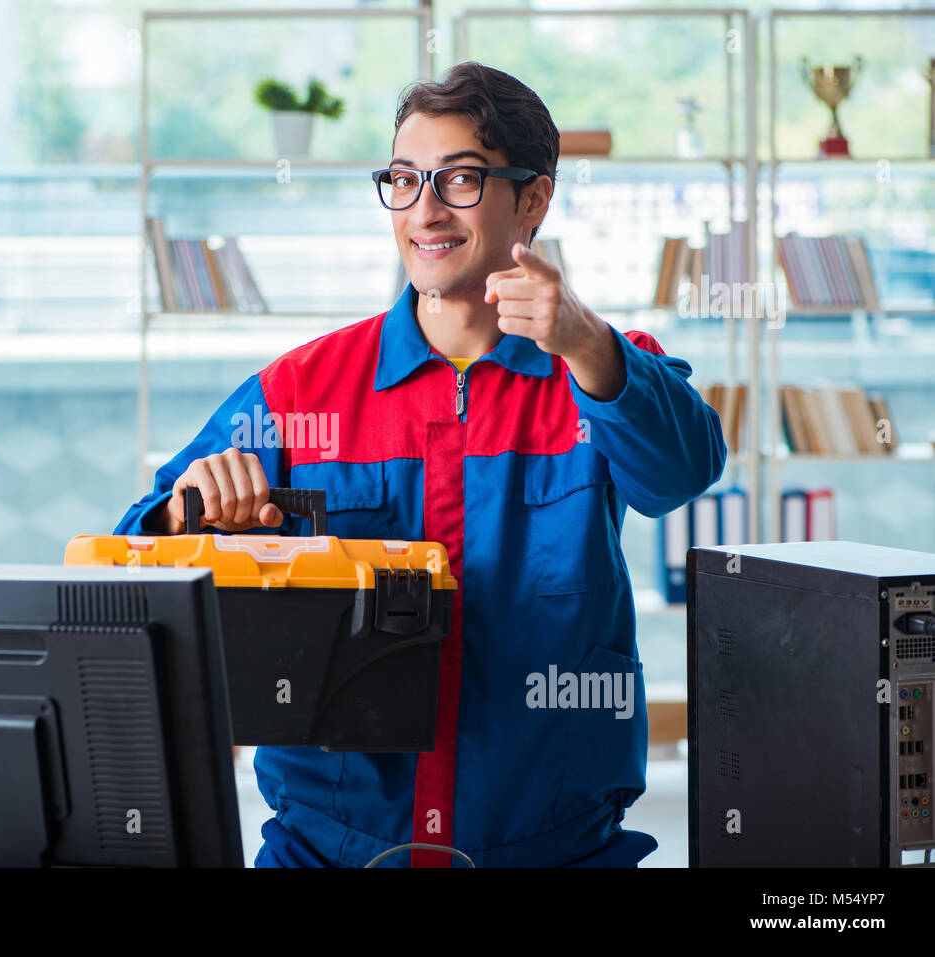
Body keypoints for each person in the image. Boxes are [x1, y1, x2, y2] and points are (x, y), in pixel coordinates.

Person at [115, 61, 726, 867]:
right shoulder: (300, 389)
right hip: (331, 851)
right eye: (403, 180)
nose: (425, 211)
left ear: (533, 199)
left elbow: (684, 470)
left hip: (558, 850)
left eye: (460, 180)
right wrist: (184, 515)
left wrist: (585, 342)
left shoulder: (602, 367)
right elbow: (134, 562)